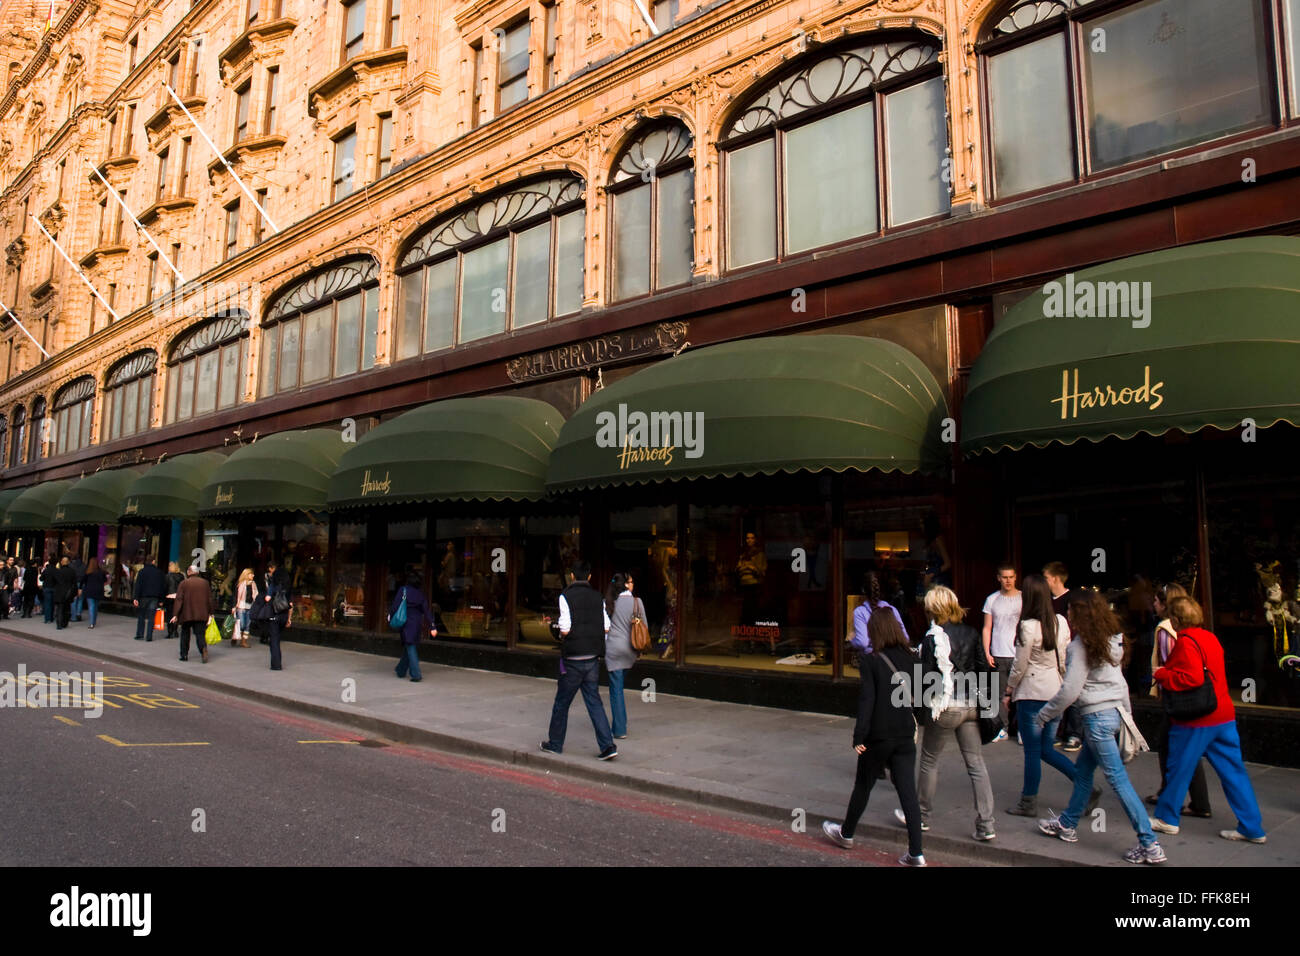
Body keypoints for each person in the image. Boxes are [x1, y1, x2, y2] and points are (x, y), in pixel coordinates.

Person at [1036, 591, 1166, 864]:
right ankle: (1067, 824)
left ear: (1080, 614)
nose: (1068, 615)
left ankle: (1149, 844)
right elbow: (1120, 685)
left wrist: (1045, 715)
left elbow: (1070, 690)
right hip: (1112, 715)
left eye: (1071, 610)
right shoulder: (1110, 641)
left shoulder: (1080, 646)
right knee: (1083, 773)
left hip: (1096, 719)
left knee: (1118, 781)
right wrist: (1126, 716)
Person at [1150, 596, 1266, 845]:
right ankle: (1252, 827)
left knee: (1179, 768)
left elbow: (1190, 678)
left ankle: (1167, 818)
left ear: (1177, 619)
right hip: (1223, 714)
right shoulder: (1210, 637)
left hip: (1196, 719)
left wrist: (1162, 674)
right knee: (1234, 772)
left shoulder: (1186, 641)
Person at [824, 607, 926, 866]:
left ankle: (846, 833)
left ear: (875, 631)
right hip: (905, 733)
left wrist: (859, 736)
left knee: (863, 785)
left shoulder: (872, 660)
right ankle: (916, 853)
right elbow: (921, 697)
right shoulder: (912, 659)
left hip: (878, 735)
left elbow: (867, 699)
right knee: (908, 793)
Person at [910, 585, 997, 842]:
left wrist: (918, 711)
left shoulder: (931, 637)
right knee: (976, 764)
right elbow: (983, 670)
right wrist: (988, 709)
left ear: (932, 609)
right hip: (971, 705)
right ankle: (987, 825)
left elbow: (924, 679)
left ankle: (922, 817)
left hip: (945, 705)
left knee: (929, 760)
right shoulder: (971, 633)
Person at [1003, 574, 1090, 817]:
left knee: (1032, 751)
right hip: (1054, 689)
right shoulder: (1060, 621)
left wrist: (1009, 689)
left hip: (1032, 692)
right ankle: (1085, 785)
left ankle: (1028, 801)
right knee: (1045, 749)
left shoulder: (1027, 626)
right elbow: (1063, 658)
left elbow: (1019, 665)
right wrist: (1063, 682)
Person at [1143, 582, 1210, 815]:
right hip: (1190, 697)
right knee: (1182, 747)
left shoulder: (1164, 628)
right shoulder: (1198, 631)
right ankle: (1195, 800)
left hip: (1177, 697)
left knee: (1170, 746)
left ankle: (1173, 799)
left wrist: (1161, 676)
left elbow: (1170, 663)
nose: (1153, 604)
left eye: (1157, 600)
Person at [540, 560, 617, 760]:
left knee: (561, 703)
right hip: (592, 658)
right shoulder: (597, 596)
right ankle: (608, 746)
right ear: (589, 576)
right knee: (594, 703)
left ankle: (555, 744)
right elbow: (607, 626)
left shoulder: (565, 596)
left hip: (573, 659)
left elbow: (565, 628)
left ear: (572, 576)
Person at [1043, 561, 1081, 752]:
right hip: (1052, 652)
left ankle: (1074, 733)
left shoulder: (1071, 599)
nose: (1045, 582)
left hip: (1069, 650)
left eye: (1047, 578)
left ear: (1055, 578)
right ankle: (1059, 730)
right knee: (1058, 691)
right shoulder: (1048, 601)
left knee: (1071, 691)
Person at [603, 572, 639, 740]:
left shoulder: (608, 603)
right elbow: (643, 626)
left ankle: (619, 729)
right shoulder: (637, 603)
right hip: (629, 650)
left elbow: (605, 628)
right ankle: (619, 724)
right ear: (625, 584)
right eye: (631, 582)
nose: (632, 584)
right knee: (619, 686)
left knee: (616, 690)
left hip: (613, 649)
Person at [390, 571, 438, 682]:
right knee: (409, 645)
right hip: (417, 623)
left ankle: (416, 674)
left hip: (406, 621)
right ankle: (401, 670)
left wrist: (391, 615)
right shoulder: (420, 594)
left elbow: (395, 605)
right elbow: (426, 611)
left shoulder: (403, 590)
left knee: (410, 646)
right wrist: (432, 626)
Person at [851, 571, 907, 661]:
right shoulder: (892, 610)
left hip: (872, 662)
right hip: (893, 661)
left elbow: (862, 642)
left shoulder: (860, 612)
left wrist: (853, 640)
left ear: (863, 590)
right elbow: (905, 638)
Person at [171, 565, 214, 663]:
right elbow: (210, 599)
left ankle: (184, 655)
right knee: (200, 634)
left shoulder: (184, 583)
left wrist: (175, 614)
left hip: (187, 614)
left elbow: (179, 599)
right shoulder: (205, 583)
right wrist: (211, 612)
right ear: (197, 572)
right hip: (201, 614)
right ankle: (203, 649)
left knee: (185, 634)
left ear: (189, 572)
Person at [261, 560, 292, 671]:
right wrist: (289, 619)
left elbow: (267, 598)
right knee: (277, 637)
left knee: (274, 640)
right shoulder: (287, 589)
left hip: (274, 615)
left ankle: (276, 664)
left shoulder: (273, 586)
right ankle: (277, 662)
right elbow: (291, 605)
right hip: (284, 616)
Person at [133, 555, 166, 641]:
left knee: (141, 616)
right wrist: (162, 600)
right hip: (154, 598)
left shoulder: (142, 572)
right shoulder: (159, 572)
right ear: (153, 561)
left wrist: (135, 598)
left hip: (143, 597)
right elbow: (162, 587)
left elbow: (138, 586)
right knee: (151, 617)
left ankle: (140, 634)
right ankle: (149, 636)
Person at [234, 568, 258, 649]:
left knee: (247, 625)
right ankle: (235, 636)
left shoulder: (253, 584)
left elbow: (256, 595)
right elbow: (235, 596)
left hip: (250, 607)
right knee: (241, 624)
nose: (253, 575)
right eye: (251, 574)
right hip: (241, 607)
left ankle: (243, 641)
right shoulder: (240, 584)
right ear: (246, 575)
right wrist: (234, 606)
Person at [52, 557, 78, 630]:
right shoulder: (72, 571)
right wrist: (75, 593)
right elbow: (74, 583)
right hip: (68, 592)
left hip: (59, 592)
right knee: (67, 608)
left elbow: (54, 582)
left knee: (60, 609)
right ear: (68, 562)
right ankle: (64, 623)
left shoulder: (58, 571)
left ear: (62, 562)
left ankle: (59, 624)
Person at [82, 557, 106, 629]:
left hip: (90, 590)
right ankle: (93, 621)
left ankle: (92, 623)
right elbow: (104, 580)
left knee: (91, 607)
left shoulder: (88, 572)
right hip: (98, 590)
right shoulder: (101, 572)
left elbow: (83, 580)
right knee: (95, 607)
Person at [163, 561, 185, 640]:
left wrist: (163, 599)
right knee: (176, 614)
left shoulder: (168, 576)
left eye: (169, 566)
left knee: (169, 615)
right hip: (178, 597)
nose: (168, 567)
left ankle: (170, 632)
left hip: (169, 597)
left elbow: (165, 588)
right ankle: (175, 631)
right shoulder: (181, 576)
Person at [70, 554, 86, 622]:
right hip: (82, 584)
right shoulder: (84, 566)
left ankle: (73, 616)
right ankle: (78, 614)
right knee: (80, 599)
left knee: (74, 600)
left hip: (74, 583)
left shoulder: (71, 565)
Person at [40, 560, 55, 624]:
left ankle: (47, 618)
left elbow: (41, 578)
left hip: (46, 587)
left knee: (47, 603)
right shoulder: (56, 570)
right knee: (52, 603)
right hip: (54, 588)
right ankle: (51, 617)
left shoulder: (46, 570)